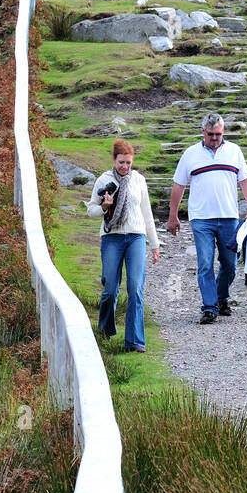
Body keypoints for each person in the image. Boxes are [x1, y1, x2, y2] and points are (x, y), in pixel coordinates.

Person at [168, 113, 247, 324]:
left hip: (228, 217)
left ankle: (221, 297)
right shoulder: (190, 154)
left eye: (218, 134)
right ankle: (209, 307)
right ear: (203, 132)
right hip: (201, 219)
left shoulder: (234, 151)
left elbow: (245, 181)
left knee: (230, 263)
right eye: (211, 134)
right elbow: (178, 186)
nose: (215, 138)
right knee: (205, 263)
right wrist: (173, 215)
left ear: (223, 132)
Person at [87, 139, 159, 352]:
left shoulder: (138, 180)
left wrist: (154, 244)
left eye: (128, 163)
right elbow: (90, 210)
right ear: (114, 160)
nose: (125, 167)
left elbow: (147, 213)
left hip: (136, 237)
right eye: (121, 162)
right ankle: (106, 331)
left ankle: (135, 341)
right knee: (110, 289)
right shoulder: (104, 180)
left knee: (135, 288)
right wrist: (103, 207)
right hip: (112, 238)